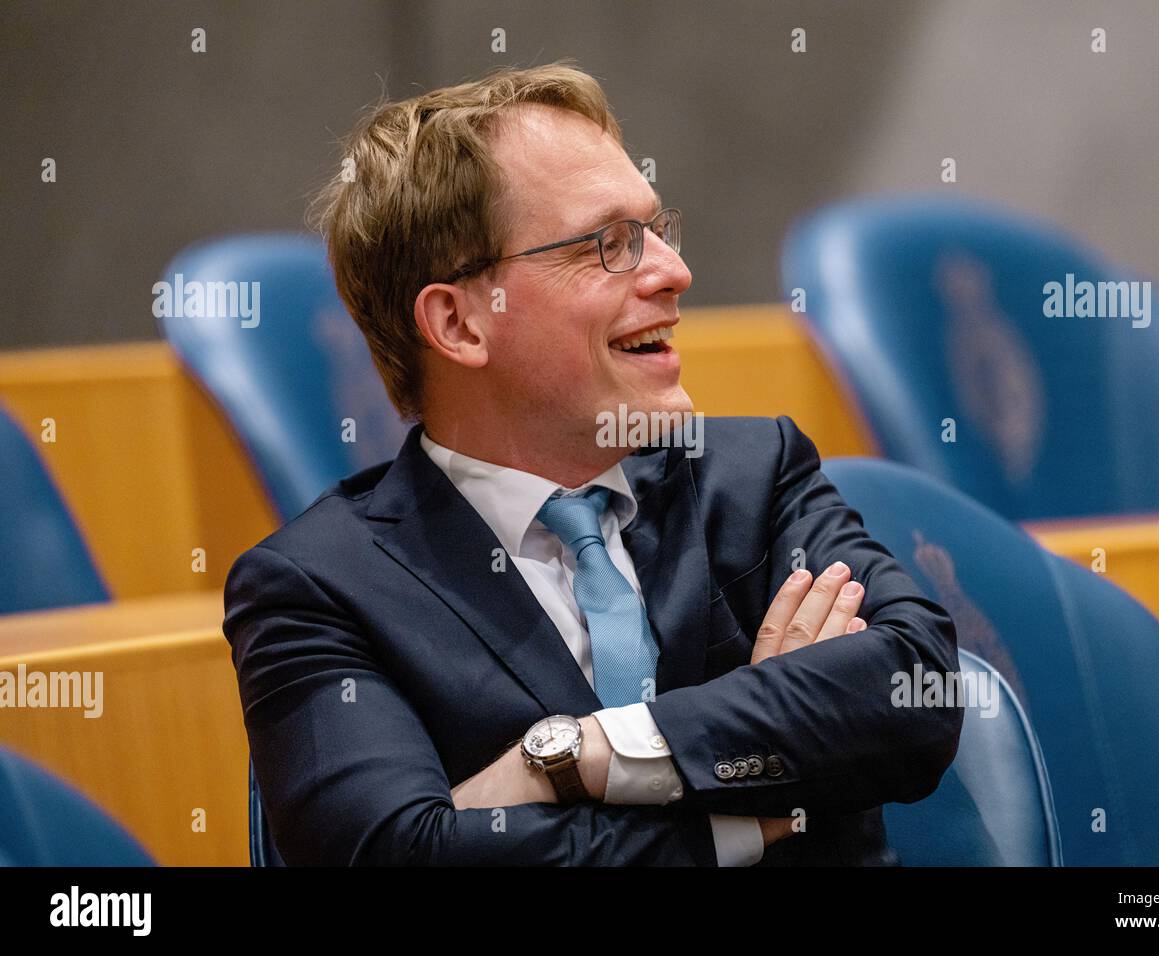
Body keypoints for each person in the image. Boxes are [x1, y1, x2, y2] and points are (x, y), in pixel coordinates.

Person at [224, 61, 961, 866]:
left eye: (656, 229)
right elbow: (403, 857)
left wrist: (574, 755)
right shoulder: (318, 587)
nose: (673, 272)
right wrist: (753, 805)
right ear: (461, 323)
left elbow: (914, 689)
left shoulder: (753, 474)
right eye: (608, 244)